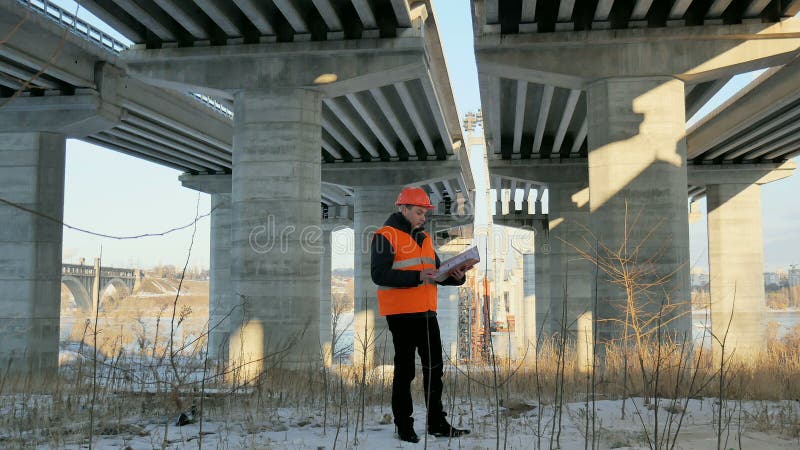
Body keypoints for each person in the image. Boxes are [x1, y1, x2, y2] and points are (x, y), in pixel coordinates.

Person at [370, 186, 474, 443]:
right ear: (403, 209)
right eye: (419, 212)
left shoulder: (425, 239)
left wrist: (457, 276)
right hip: (402, 314)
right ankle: (404, 426)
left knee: (435, 370)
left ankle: (437, 423)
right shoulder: (385, 236)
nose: (423, 217)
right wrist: (417, 276)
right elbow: (379, 274)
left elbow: (435, 273)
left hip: (427, 313)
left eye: (425, 213)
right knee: (405, 372)